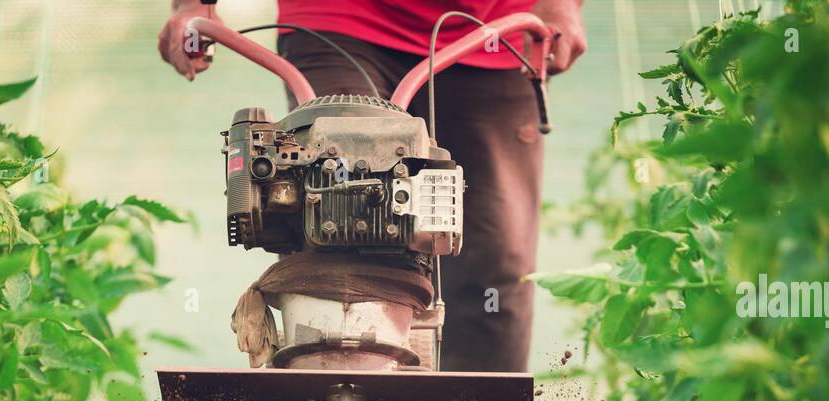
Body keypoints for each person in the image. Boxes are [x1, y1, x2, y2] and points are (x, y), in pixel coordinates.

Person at [158, 1, 587, 373]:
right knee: (341, 226)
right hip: (342, 18)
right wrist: (192, 5)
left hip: (492, 33)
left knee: (494, 269)